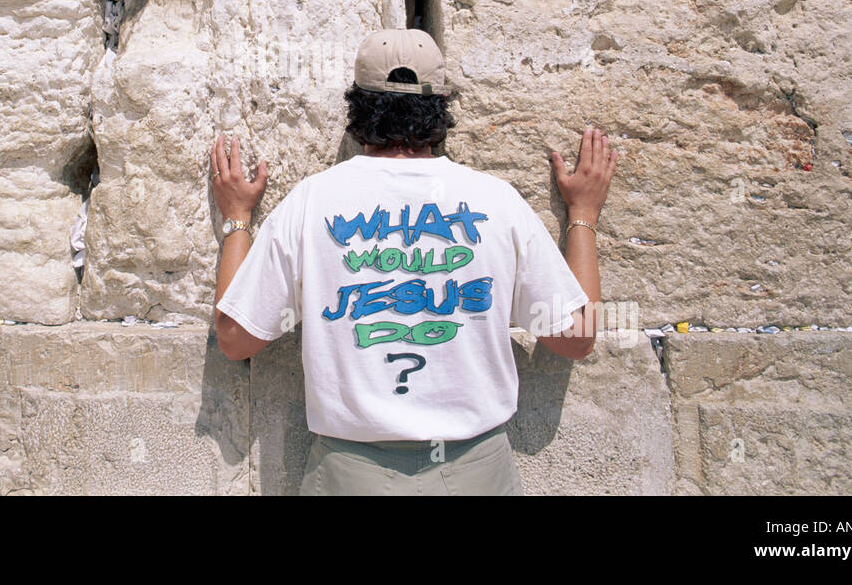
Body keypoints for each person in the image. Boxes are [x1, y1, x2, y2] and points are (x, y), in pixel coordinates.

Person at [210, 28, 616, 495]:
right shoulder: (497, 202)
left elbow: (236, 338)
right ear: (440, 106)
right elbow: (576, 337)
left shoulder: (312, 203)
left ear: (356, 106)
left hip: (351, 475)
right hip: (475, 473)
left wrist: (237, 221)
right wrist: (582, 215)